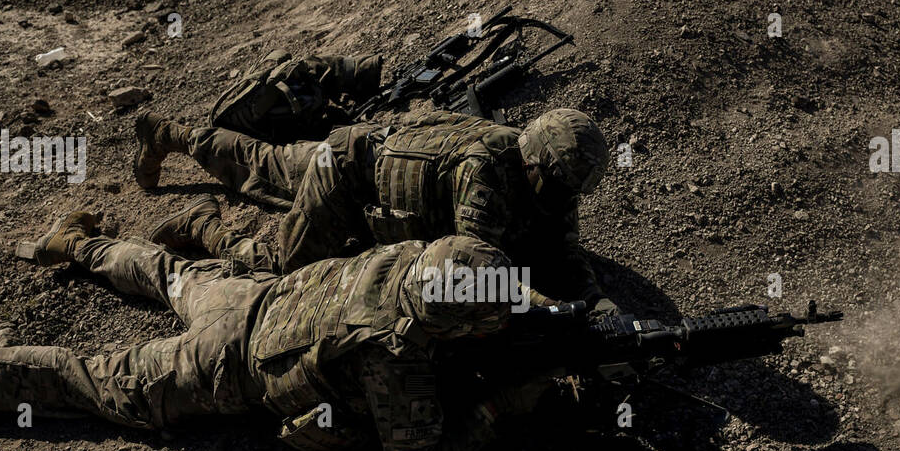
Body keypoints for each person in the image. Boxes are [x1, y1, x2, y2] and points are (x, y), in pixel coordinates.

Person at [0, 215, 552, 451]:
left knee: (172, 274)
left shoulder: (419, 260)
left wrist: (554, 313)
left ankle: (80, 243)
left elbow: (485, 283)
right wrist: (500, 407)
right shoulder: (395, 356)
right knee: (92, 380)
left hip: (252, 295)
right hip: (225, 364)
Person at [133, 104, 617, 312]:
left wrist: (600, 302)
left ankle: (171, 134)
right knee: (288, 270)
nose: (563, 201)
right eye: (554, 185)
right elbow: (480, 274)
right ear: (533, 161)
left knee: (265, 163)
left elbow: (565, 250)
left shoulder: (548, 176)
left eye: (570, 192)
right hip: (345, 171)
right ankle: (204, 224)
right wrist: (557, 309)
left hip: (369, 158)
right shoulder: (486, 172)